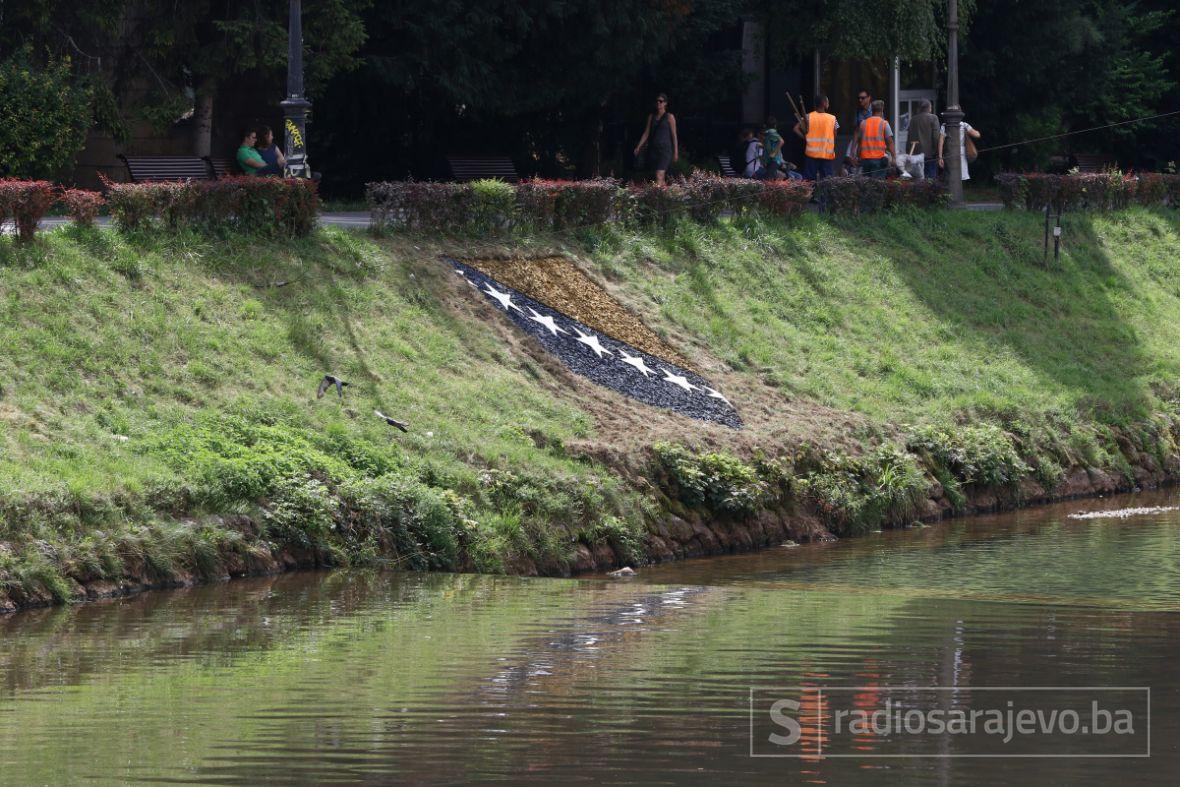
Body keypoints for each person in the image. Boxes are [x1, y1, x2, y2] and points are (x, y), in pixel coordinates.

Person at [633, 93, 678, 187]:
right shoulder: (651, 117)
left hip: (665, 150)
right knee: (659, 177)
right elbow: (646, 133)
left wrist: (675, 152)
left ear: (665, 103)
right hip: (654, 149)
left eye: (661, 101)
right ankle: (666, 196)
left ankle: (658, 198)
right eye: (657, 101)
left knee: (659, 174)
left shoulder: (670, 117)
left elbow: (674, 135)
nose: (658, 103)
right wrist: (639, 146)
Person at [793, 94, 838, 181]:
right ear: (824, 103)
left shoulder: (808, 116)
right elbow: (835, 134)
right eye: (828, 102)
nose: (828, 104)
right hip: (827, 155)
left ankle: (811, 195)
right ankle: (824, 195)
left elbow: (795, 128)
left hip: (811, 154)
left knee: (809, 182)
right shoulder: (833, 118)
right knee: (827, 182)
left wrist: (805, 137)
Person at [852, 100, 895, 179]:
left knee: (867, 185)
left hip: (865, 160)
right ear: (882, 110)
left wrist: (857, 157)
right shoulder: (884, 123)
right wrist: (894, 157)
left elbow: (860, 143)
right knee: (878, 185)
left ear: (872, 110)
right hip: (879, 160)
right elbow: (890, 142)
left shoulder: (863, 123)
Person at [908, 100, 941, 180]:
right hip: (930, 153)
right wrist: (938, 151)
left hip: (916, 153)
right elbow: (936, 137)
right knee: (930, 178)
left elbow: (909, 137)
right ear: (929, 108)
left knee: (918, 178)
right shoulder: (933, 118)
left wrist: (909, 153)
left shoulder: (913, 119)